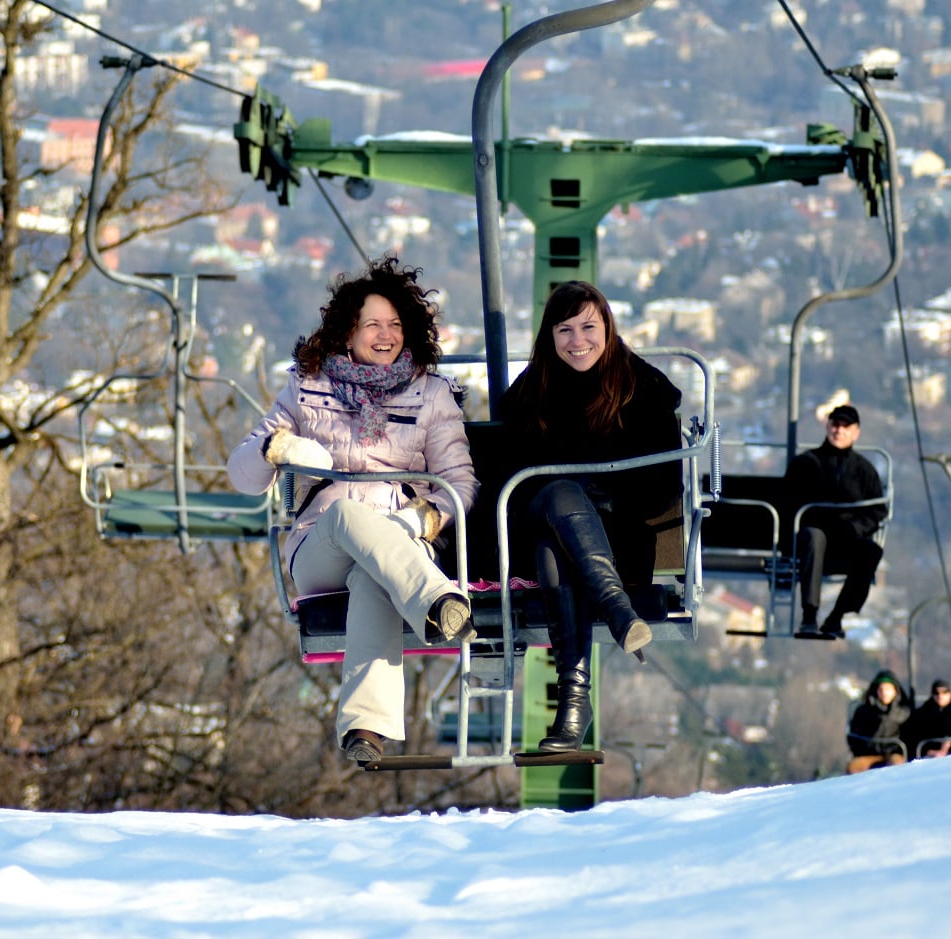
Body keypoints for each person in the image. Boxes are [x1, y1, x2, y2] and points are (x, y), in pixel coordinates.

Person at [227, 256, 478, 765]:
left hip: (397, 541)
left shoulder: (430, 395)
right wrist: (275, 448)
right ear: (348, 331)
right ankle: (438, 602)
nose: (384, 336)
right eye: (372, 325)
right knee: (345, 516)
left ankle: (366, 729)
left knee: (374, 575)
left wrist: (423, 520)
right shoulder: (307, 387)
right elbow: (241, 475)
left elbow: (459, 483)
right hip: (320, 545)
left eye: (394, 325)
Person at [497, 281, 683, 752]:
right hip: (543, 519)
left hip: (619, 537)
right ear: (549, 334)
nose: (577, 341)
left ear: (607, 328)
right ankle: (619, 612)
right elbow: (510, 478)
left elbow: (664, 485)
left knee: (554, 548)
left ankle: (573, 706)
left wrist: (602, 492)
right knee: (559, 494)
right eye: (564, 330)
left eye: (588, 327)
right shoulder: (531, 391)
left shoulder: (643, 389)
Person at [785, 403, 887, 639]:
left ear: (855, 432)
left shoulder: (864, 471)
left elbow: (877, 511)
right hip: (810, 539)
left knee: (871, 551)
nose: (839, 431)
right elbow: (788, 501)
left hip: (846, 540)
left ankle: (838, 616)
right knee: (814, 537)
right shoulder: (807, 464)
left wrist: (854, 527)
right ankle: (809, 614)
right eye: (835, 425)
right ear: (828, 427)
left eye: (845, 426)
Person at [846, 669, 912, 773]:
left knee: (897, 767)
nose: (884, 693)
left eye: (888, 689)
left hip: (894, 754)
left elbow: (911, 735)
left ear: (895, 690)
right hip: (868, 755)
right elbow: (854, 735)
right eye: (881, 689)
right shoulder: (864, 711)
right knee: (853, 768)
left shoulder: (904, 712)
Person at [903, 678, 951, 758]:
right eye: (936, 693)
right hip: (930, 755)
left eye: (944, 692)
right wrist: (927, 751)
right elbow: (912, 734)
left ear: (950, 694)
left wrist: (950, 739)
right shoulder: (923, 712)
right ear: (932, 694)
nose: (940, 696)